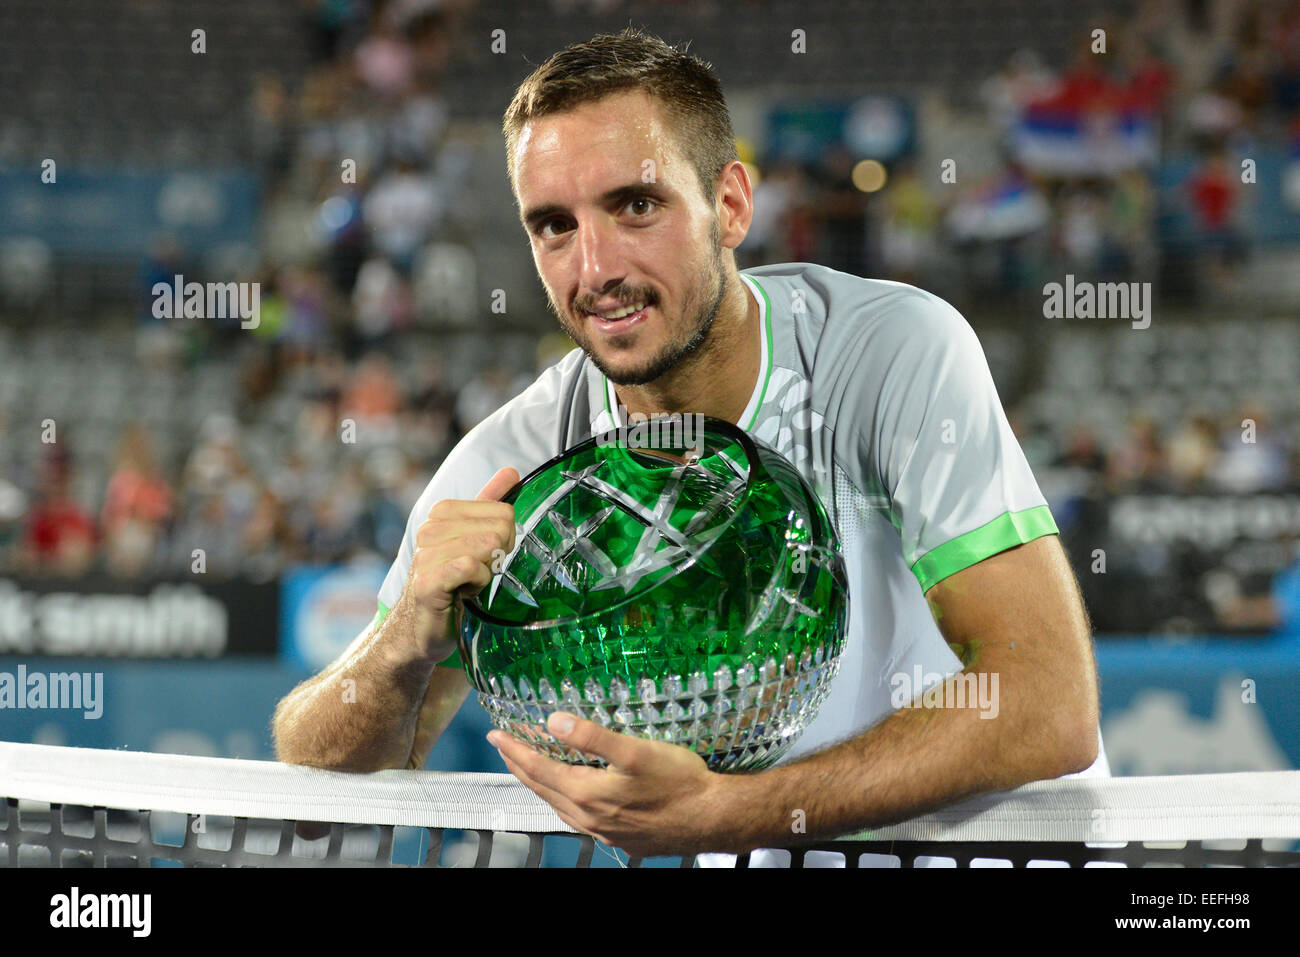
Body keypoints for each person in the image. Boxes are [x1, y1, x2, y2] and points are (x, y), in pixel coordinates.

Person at [273, 28, 1109, 864]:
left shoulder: (890, 351)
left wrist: (731, 814)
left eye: (636, 206)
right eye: (554, 225)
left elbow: (1047, 701)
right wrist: (404, 642)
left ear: (731, 206)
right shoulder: (519, 458)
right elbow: (313, 804)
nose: (595, 268)